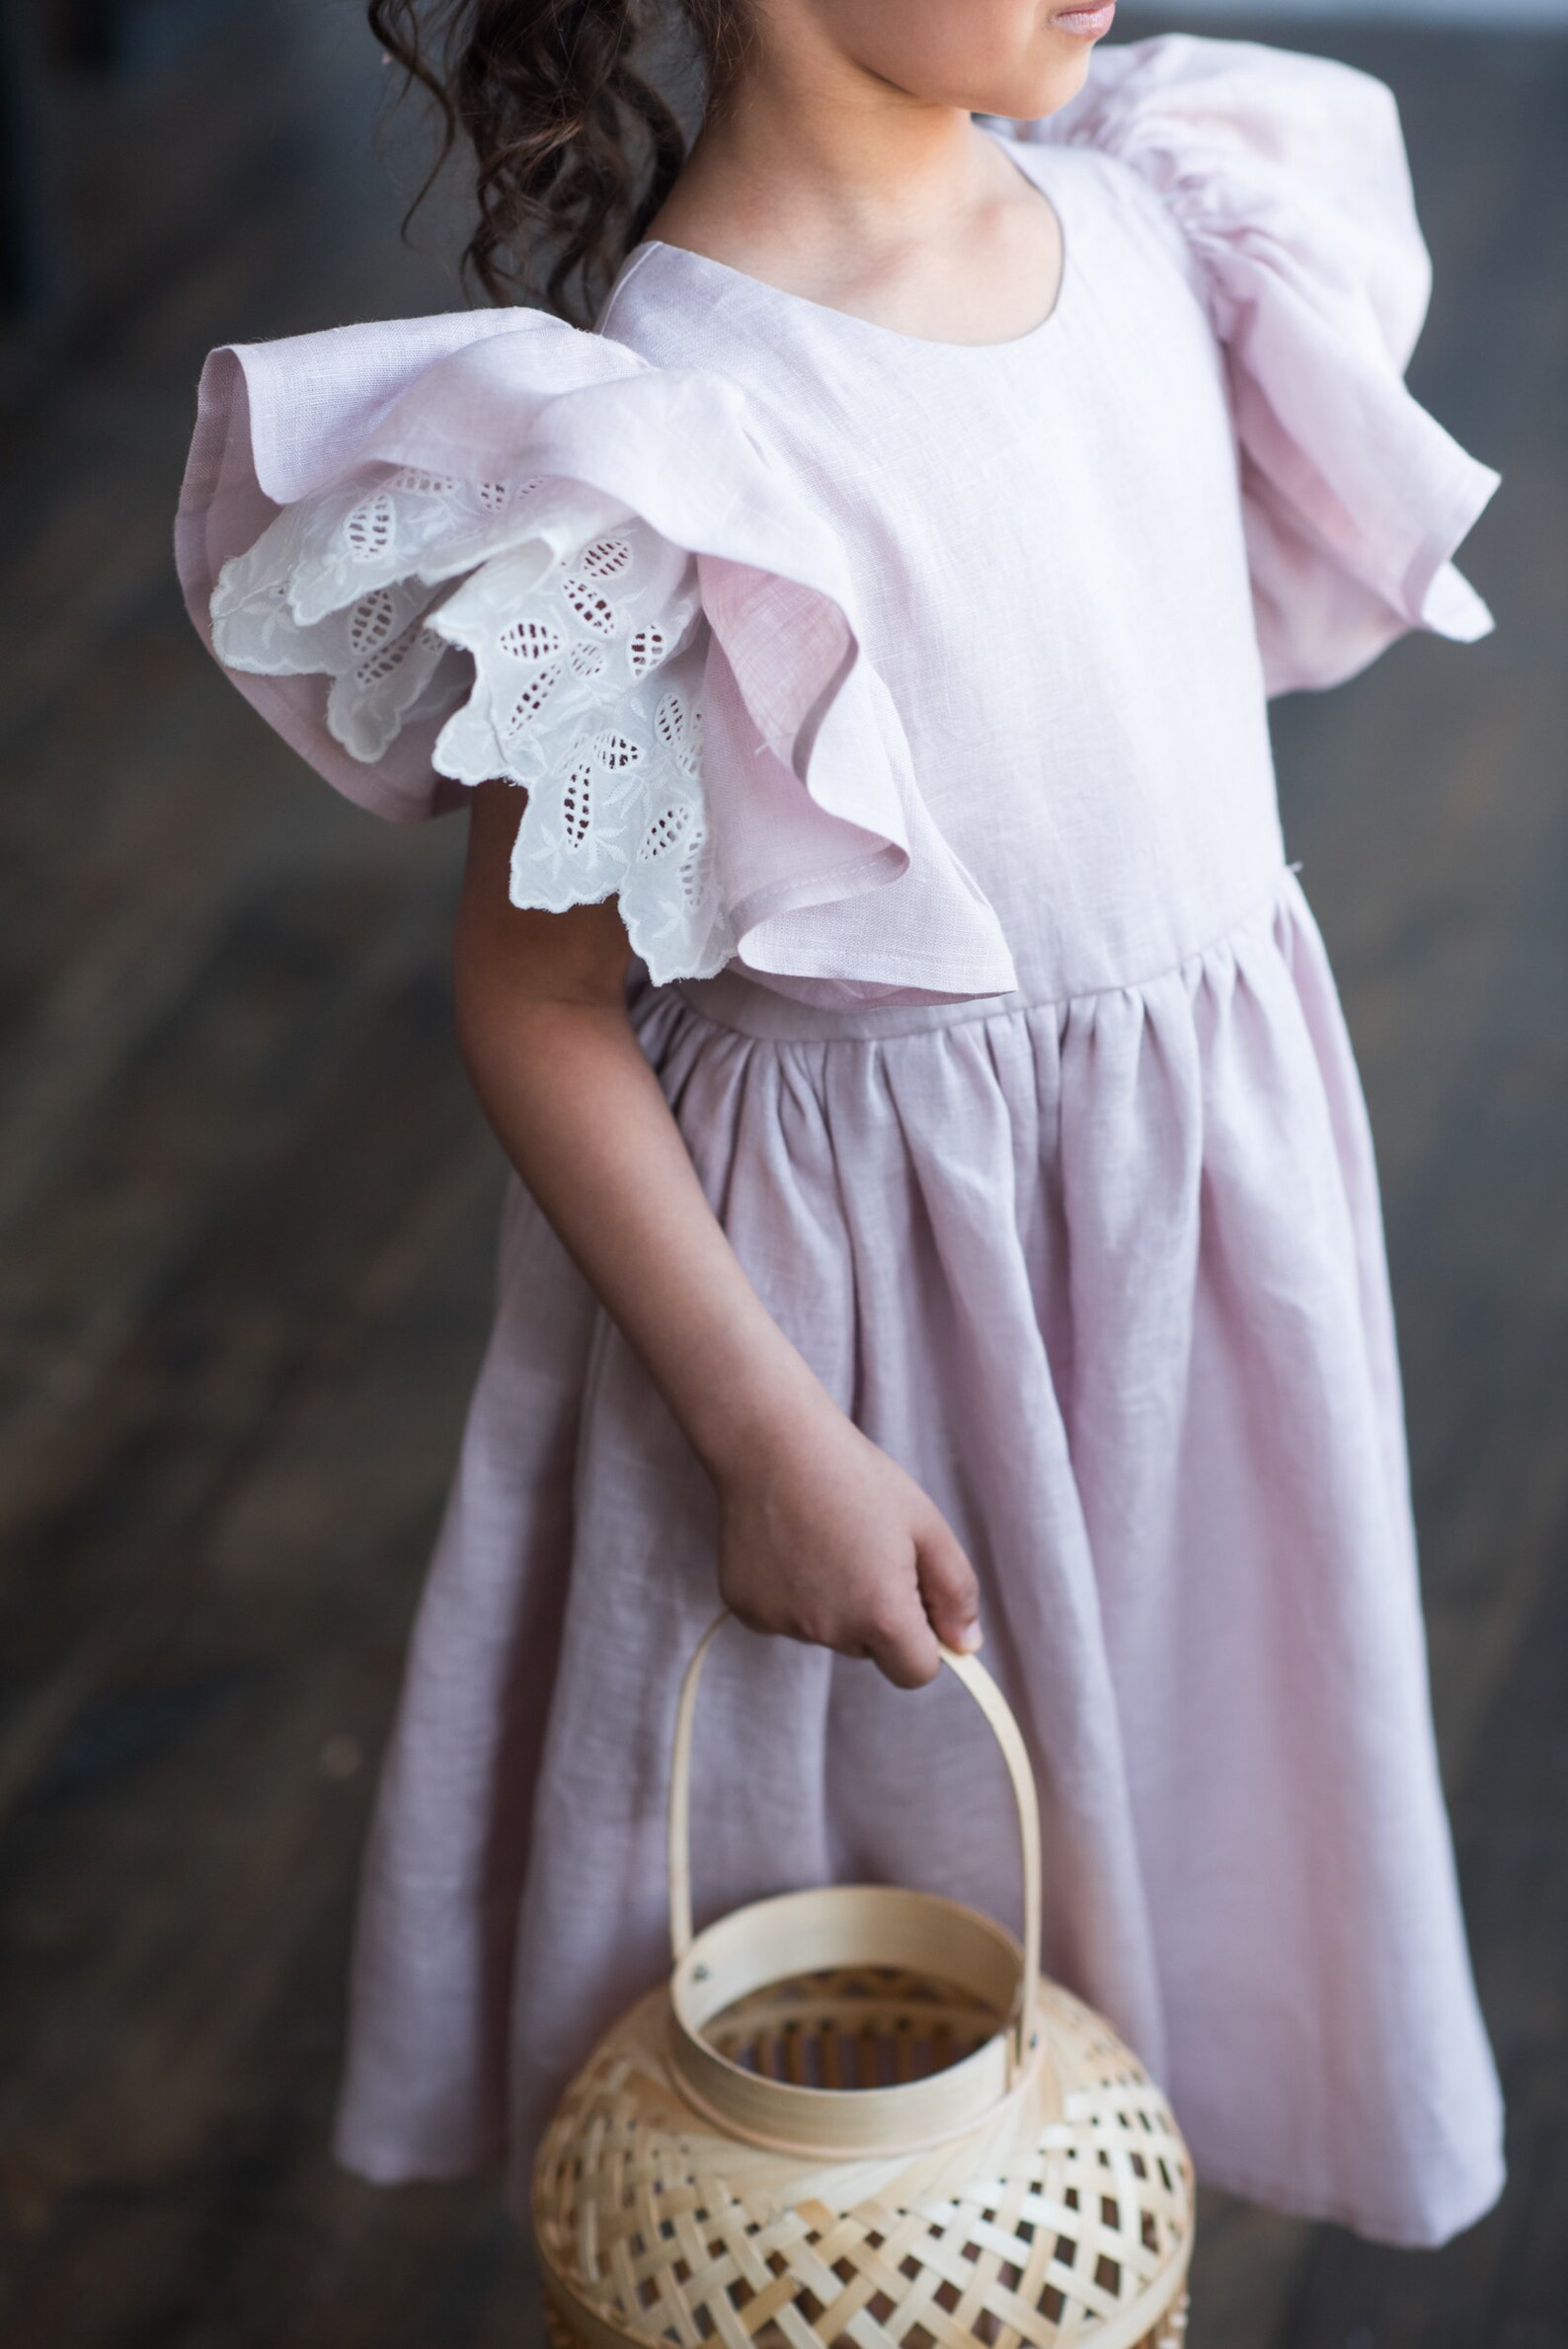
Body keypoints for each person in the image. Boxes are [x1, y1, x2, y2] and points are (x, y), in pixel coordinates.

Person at [176, 0, 1506, 2250]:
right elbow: (540, 1003)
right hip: (866, 1330)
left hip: (1188, 1248)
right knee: (884, 1972)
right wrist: (767, 1434)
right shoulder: (662, 447)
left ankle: (1073, 2244)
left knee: (1179, 1799)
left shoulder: (1162, 215)